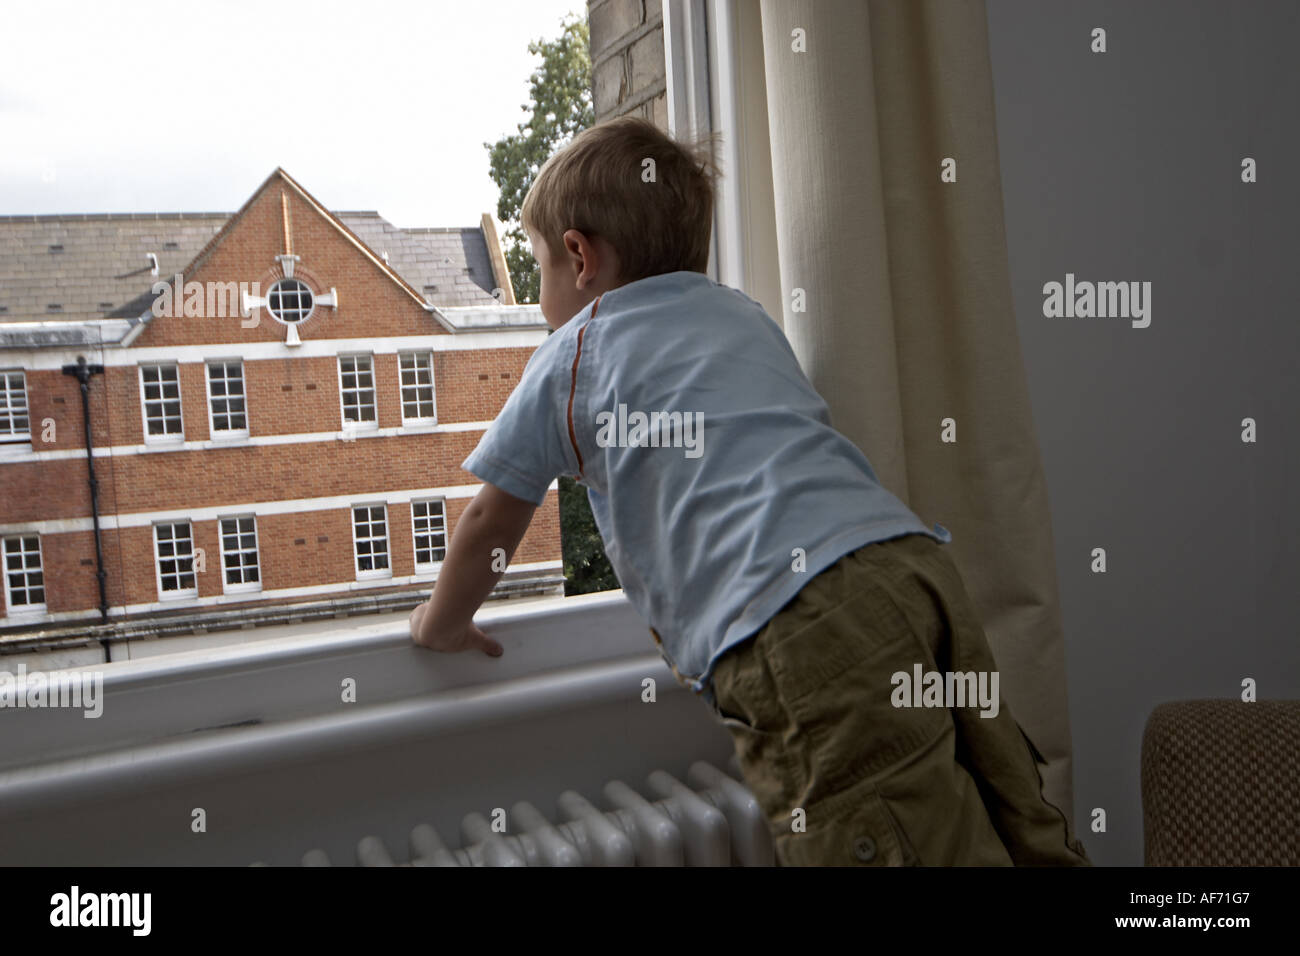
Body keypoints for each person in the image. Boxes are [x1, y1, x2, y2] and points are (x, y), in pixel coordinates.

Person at [409, 115, 1091, 867]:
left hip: (801, 622)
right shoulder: (743, 316)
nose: (541, 297)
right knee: (1015, 807)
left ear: (578, 256)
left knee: (893, 838)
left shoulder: (573, 352)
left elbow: (488, 520)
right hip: (911, 567)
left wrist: (442, 623)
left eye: (536, 264)